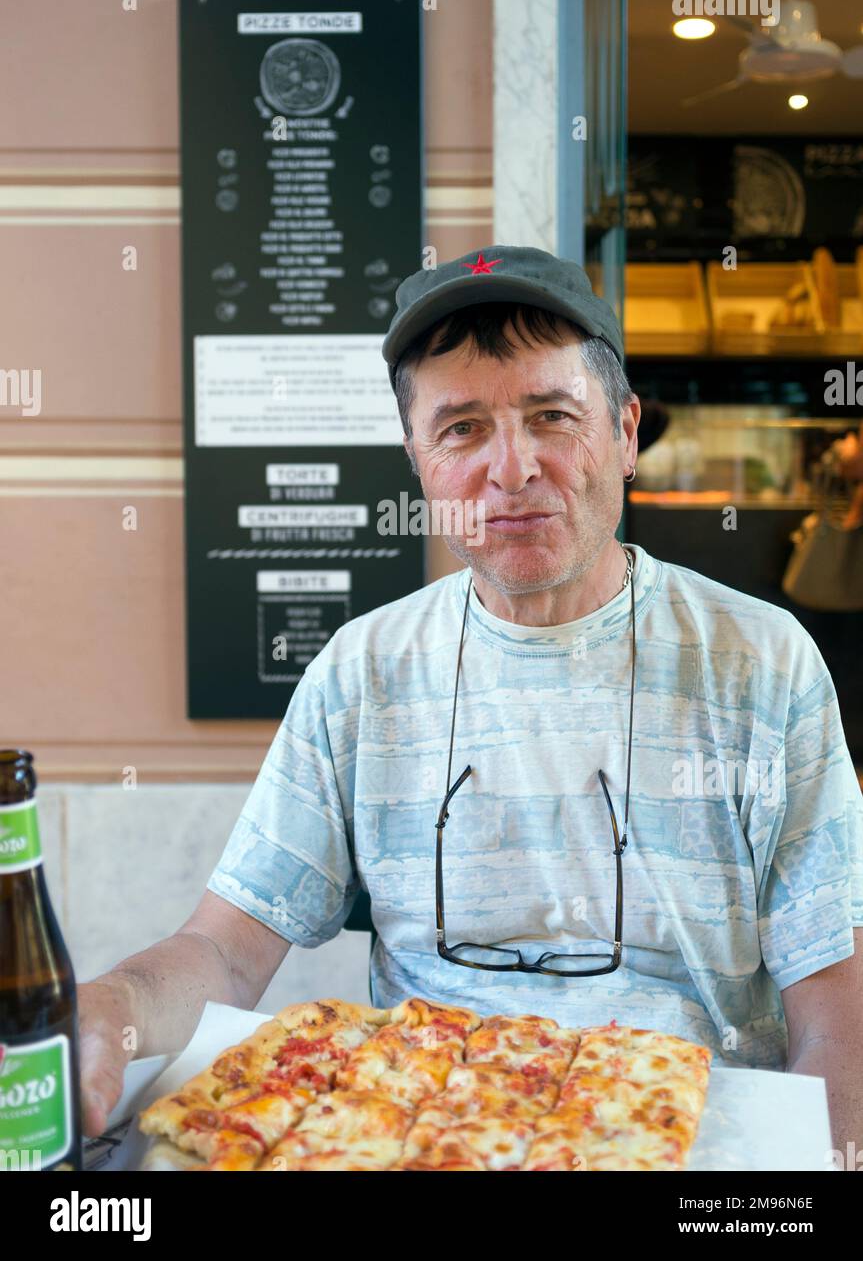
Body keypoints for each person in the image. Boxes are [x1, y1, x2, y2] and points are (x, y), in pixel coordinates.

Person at [79, 246, 863, 1154]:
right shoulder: (361, 673)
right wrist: (117, 1006)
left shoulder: (762, 664)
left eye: (552, 416)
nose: (512, 467)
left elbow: (835, 1002)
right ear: (417, 461)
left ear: (625, 432)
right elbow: (223, 951)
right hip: (419, 1129)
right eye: (460, 429)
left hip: (684, 1141)